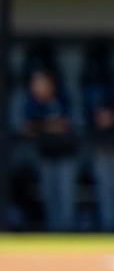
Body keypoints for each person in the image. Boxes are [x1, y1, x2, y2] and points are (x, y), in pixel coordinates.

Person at [80, 42, 114, 232]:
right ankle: (109, 224)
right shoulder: (90, 92)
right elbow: (87, 117)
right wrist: (98, 122)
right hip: (100, 143)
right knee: (105, 187)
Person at [19, 66, 77, 231]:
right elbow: (27, 129)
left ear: (50, 83)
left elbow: (65, 126)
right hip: (45, 154)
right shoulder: (32, 103)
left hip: (66, 153)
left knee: (65, 195)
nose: (37, 86)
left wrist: (41, 125)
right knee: (49, 195)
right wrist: (49, 125)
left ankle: (67, 230)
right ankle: (52, 230)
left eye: (41, 82)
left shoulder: (62, 99)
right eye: (35, 83)